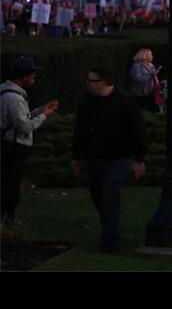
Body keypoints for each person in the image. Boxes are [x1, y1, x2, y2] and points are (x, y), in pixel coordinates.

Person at [71, 68, 146, 252]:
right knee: (98, 195)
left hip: (117, 157)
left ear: (103, 82)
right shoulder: (87, 101)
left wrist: (139, 158)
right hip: (94, 156)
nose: (88, 83)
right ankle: (109, 231)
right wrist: (76, 156)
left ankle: (109, 240)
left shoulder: (124, 102)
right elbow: (80, 129)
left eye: (92, 80)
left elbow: (137, 130)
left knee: (110, 196)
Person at [1, 56, 58, 225]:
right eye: (32, 73)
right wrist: (44, 115)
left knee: (8, 182)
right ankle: (7, 218)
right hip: (13, 146)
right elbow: (25, 126)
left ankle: (7, 217)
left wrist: (41, 110)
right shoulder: (14, 98)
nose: (34, 77)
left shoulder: (7, 93)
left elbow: (20, 119)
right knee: (10, 183)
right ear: (24, 75)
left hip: (9, 143)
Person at [129, 48, 160, 112]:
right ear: (144, 56)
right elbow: (137, 79)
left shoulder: (151, 65)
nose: (152, 56)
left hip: (151, 93)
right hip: (140, 95)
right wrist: (151, 75)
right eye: (150, 54)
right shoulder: (136, 66)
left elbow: (154, 78)